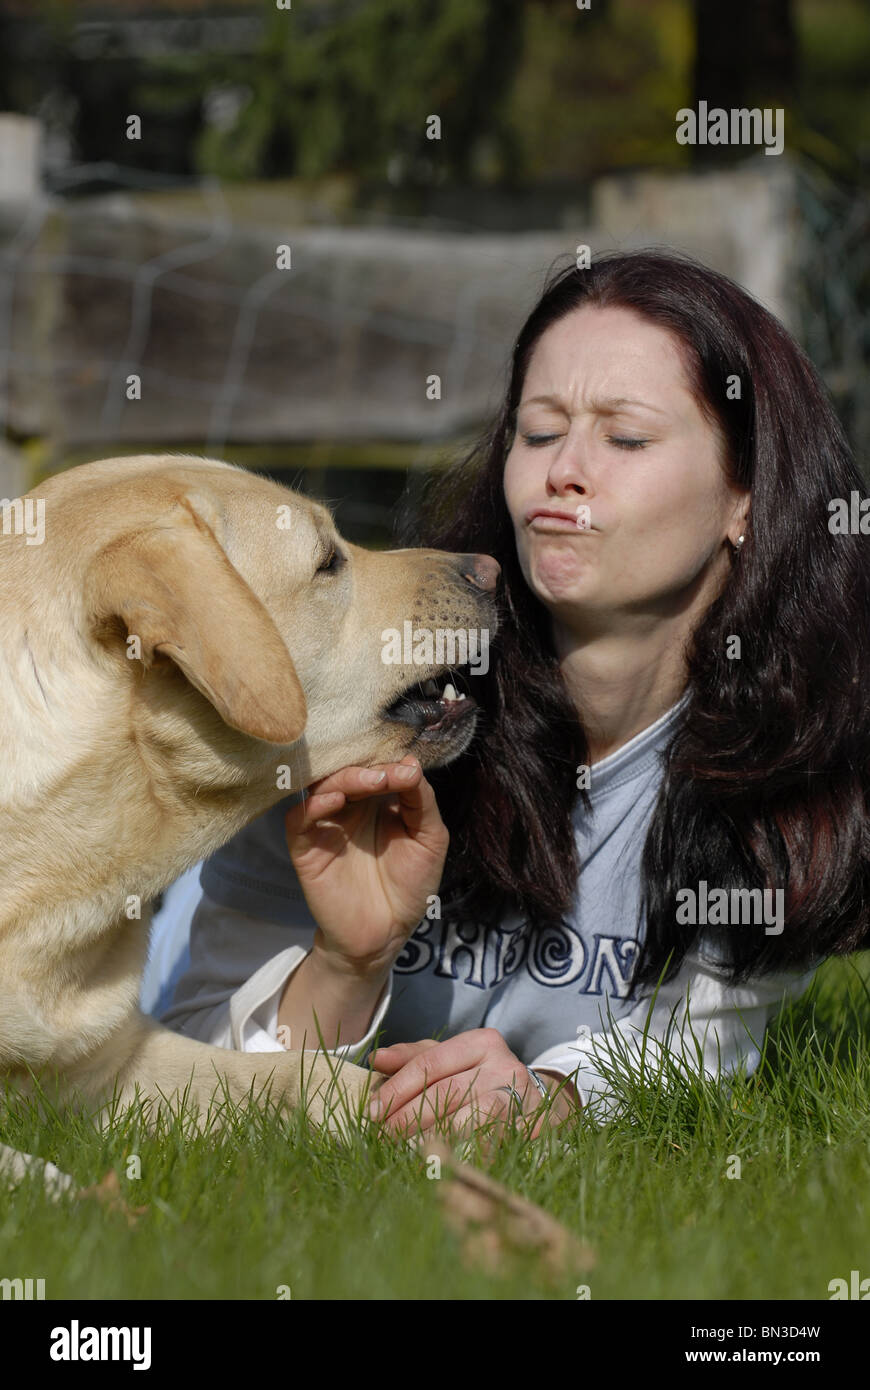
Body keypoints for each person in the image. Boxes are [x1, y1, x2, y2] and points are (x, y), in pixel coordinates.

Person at [150, 248, 870, 1139]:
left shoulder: (791, 758)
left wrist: (545, 1103)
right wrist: (351, 958)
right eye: (537, 431)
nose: (563, 470)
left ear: (745, 499)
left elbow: (697, 1043)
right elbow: (180, 1070)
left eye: (626, 437)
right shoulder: (358, 698)